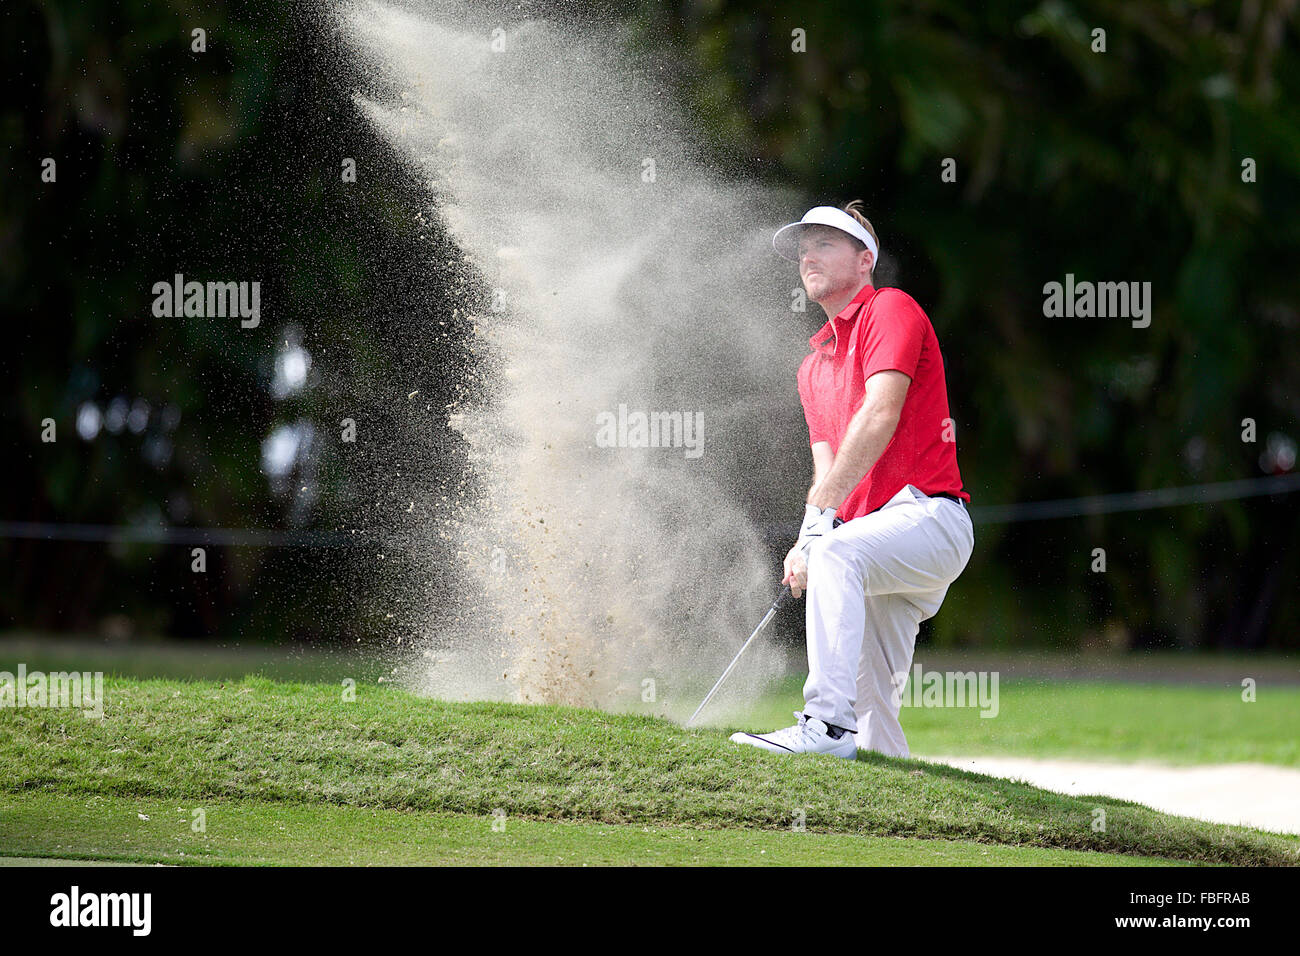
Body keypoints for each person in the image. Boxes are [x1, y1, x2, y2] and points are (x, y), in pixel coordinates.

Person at [730, 202, 974, 759]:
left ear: (865, 260)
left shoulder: (890, 309)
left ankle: (824, 726)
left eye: (824, 244)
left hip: (930, 520)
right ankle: (892, 803)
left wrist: (824, 535)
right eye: (802, 248)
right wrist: (806, 537)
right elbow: (828, 467)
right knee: (874, 722)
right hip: (876, 542)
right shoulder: (811, 367)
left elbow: (881, 413)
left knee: (836, 556)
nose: (807, 256)